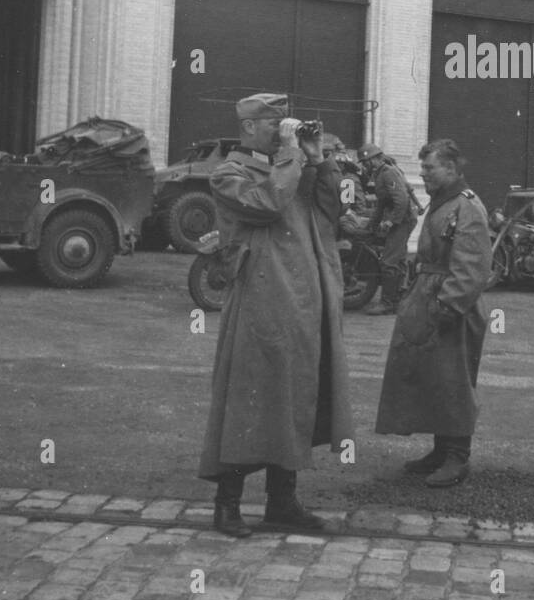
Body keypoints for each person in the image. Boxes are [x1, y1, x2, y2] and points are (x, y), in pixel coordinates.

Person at [197, 95, 355, 538]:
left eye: (283, 122)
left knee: (293, 400)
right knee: (247, 398)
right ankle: (226, 505)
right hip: (259, 305)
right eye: (272, 122)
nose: (281, 129)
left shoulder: (293, 166)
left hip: (304, 303)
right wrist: (291, 155)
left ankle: (282, 503)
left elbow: (333, 209)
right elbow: (268, 204)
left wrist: (320, 161)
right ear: (247, 127)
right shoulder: (230, 174)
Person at [375, 139, 492, 488]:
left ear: (452, 170)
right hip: (430, 298)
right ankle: (441, 452)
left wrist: (446, 307)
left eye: (430, 168)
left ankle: (458, 457)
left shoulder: (466, 207)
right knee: (435, 380)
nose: (423, 173)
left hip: (451, 308)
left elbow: (472, 268)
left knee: (453, 382)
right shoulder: (443, 203)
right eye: (422, 167)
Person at [359, 143, 421, 316]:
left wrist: (391, 222)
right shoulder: (380, 174)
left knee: (388, 261)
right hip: (401, 219)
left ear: (376, 159)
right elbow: (382, 203)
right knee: (398, 258)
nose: (365, 165)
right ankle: (399, 299)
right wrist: (372, 223)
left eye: (366, 161)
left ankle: (387, 303)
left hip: (403, 220)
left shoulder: (388, 173)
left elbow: (401, 200)